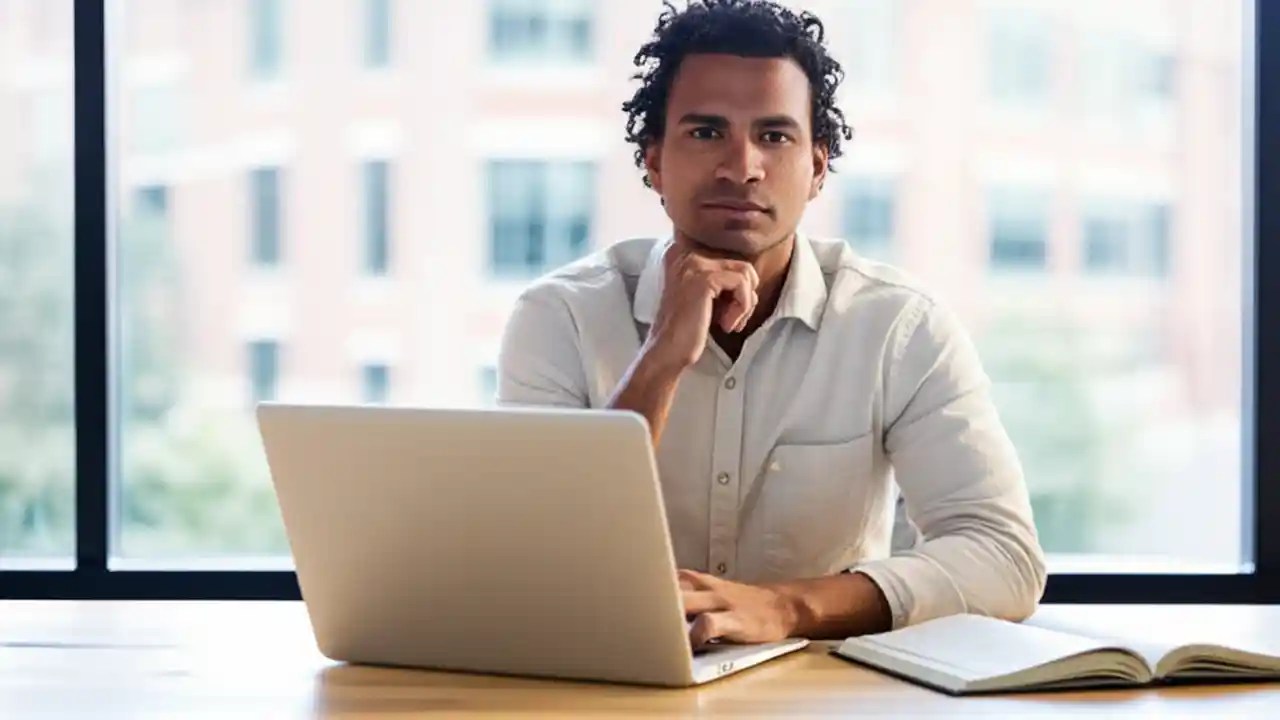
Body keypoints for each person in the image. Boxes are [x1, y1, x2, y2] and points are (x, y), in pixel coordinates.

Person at [497, 0, 1046, 648]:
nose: (742, 166)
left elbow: (1004, 558)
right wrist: (663, 356)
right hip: (616, 686)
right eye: (705, 133)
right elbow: (535, 553)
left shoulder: (900, 328)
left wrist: (786, 609)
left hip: (826, 694)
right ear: (653, 163)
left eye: (775, 136)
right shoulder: (559, 318)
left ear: (817, 168)